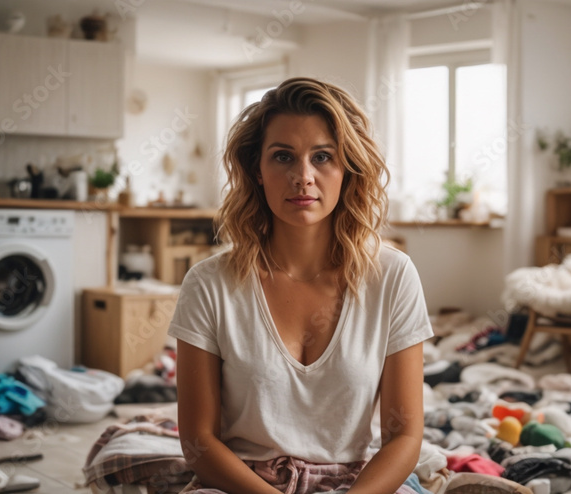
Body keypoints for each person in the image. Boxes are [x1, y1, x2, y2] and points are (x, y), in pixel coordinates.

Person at [169, 77, 434, 494]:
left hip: (358, 483)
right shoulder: (209, 284)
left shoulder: (393, 276)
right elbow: (199, 443)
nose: (303, 176)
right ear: (257, 170)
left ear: (348, 167)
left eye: (323, 156)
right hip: (243, 484)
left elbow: (404, 437)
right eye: (283, 157)